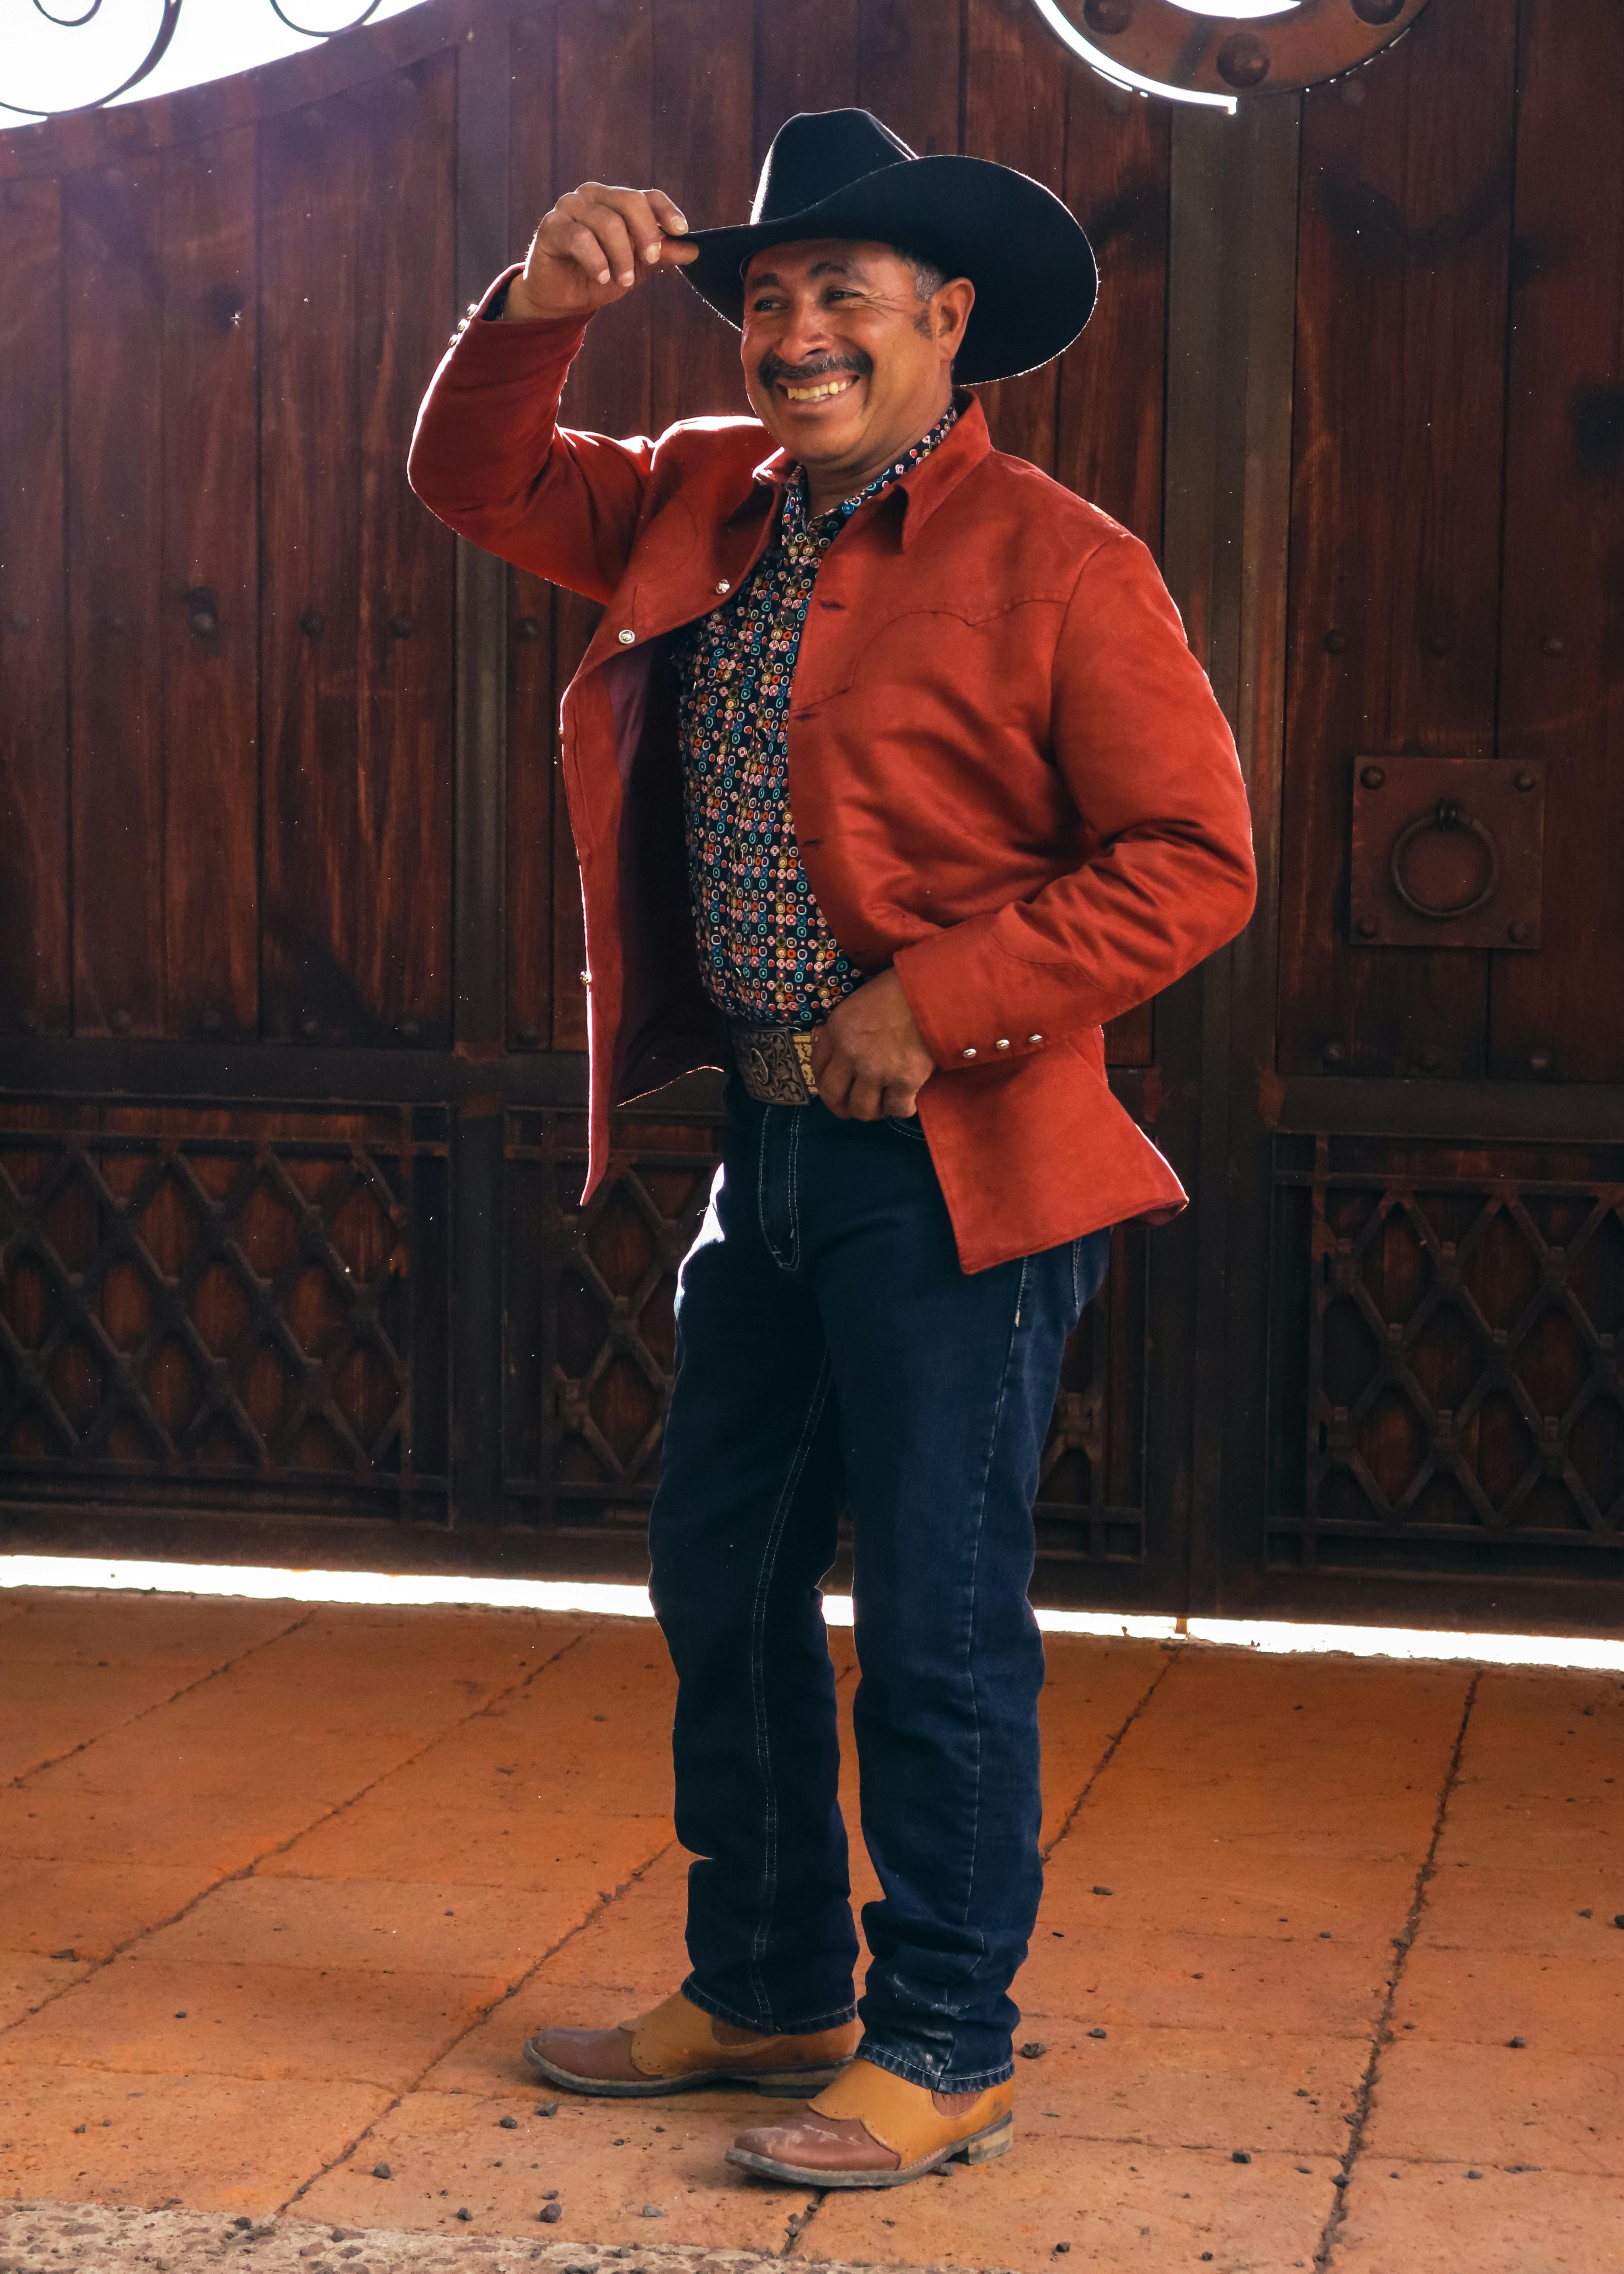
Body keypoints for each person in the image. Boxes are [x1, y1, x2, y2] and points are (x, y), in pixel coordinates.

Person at [409, 106, 1255, 2190]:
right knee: (722, 1575)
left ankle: (945, 2035)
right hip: (761, 1163)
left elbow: (1191, 861)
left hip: (957, 1171)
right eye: (766, 295)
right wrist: (531, 306)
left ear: (942, 320)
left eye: (840, 295)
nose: (795, 329)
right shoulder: (695, 496)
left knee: (941, 1618)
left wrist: (936, 994)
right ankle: (769, 1978)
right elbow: (472, 474)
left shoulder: (1065, 559)